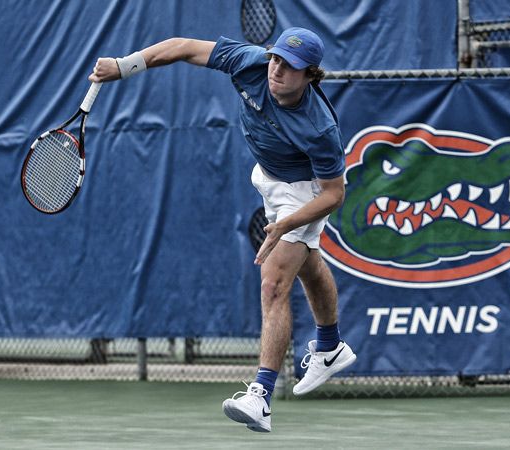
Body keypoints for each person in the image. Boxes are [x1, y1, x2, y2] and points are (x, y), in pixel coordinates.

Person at [89, 27, 356, 433]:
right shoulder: (251, 63)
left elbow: (334, 194)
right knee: (307, 263)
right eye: (277, 59)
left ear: (311, 75)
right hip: (268, 176)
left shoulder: (319, 128)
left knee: (274, 282)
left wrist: (286, 224)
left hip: (305, 191)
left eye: (291, 67)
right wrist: (125, 67)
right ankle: (331, 346)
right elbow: (181, 47)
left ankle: (261, 397)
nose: (278, 70)